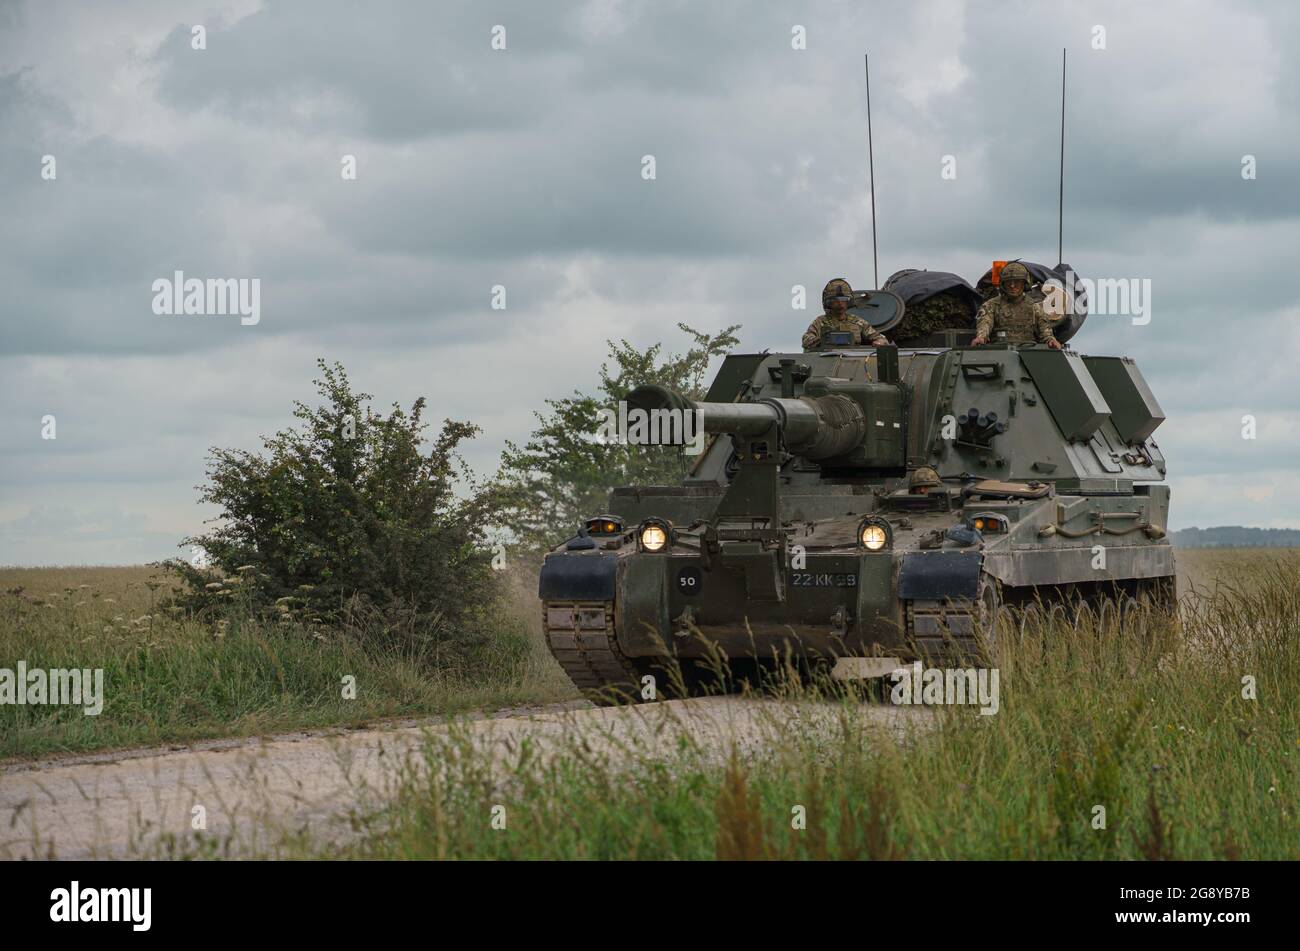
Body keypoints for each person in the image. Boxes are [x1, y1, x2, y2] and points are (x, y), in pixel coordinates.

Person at [971, 262, 1062, 348]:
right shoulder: (991, 305)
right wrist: (981, 337)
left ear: (1024, 283)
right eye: (1008, 282)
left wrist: (1051, 339)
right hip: (1000, 351)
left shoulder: (1034, 307)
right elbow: (985, 323)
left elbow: (1045, 330)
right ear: (1003, 284)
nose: (1012, 286)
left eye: (1017, 282)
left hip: (1029, 352)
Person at [802, 278, 890, 350]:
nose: (840, 303)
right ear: (829, 303)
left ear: (849, 301)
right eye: (835, 300)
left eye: (844, 300)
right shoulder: (820, 322)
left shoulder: (857, 322)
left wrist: (880, 342)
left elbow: (880, 338)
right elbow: (806, 340)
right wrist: (823, 340)